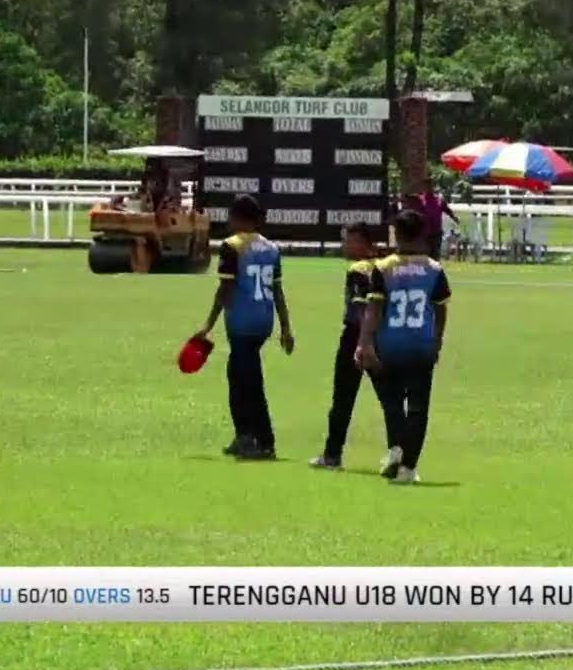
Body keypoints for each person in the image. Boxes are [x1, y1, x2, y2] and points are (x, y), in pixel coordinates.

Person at [193, 194, 294, 460]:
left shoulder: (232, 246)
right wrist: (285, 328)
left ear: (237, 218)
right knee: (239, 375)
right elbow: (278, 290)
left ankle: (262, 440)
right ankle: (244, 435)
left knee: (247, 382)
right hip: (263, 321)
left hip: (242, 321)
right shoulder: (271, 248)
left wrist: (208, 324)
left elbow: (225, 289)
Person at [356, 210, 451, 484]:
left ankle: (397, 449)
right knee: (419, 407)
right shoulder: (434, 269)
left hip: (391, 344)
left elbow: (374, 309)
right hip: (421, 344)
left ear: (396, 234)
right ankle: (408, 468)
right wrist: (437, 340)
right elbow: (441, 309)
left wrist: (365, 343)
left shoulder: (384, 267)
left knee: (392, 402)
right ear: (422, 234)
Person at [310, 223, 396, 469]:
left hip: (357, 338)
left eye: (347, 240)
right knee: (389, 399)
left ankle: (332, 455)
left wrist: (362, 344)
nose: (344, 245)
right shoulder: (385, 266)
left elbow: (361, 309)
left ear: (360, 242)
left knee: (343, 398)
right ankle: (398, 454)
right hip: (385, 336)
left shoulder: (358, 269)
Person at [419, 179, 462, 260]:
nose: (429, 188)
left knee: (435, 255)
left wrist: (454, 217)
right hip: (424, 233)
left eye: (431, 186)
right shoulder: (420, 200)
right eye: (427, 186)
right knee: (425, 255)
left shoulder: (439, 201)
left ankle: (435, 271)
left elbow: (448, 210)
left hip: (436, 233)